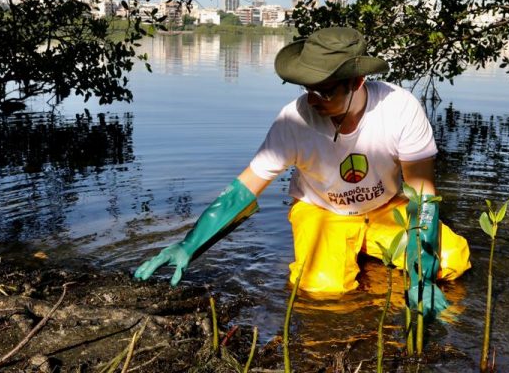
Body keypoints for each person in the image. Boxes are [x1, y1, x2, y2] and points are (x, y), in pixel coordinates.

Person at [134, 27, 471, 318]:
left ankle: (370, 258)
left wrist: (422, 279)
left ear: (357, 81)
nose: (312, 100)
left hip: (385, 209)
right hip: (322, 211)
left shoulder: (399, 108)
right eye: (306, 88)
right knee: (323, 291)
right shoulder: (293, 121)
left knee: (451, 261)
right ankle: (361, 268)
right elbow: (245, 189)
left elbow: (422, 194)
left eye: (324, 90)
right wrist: (189, 245)